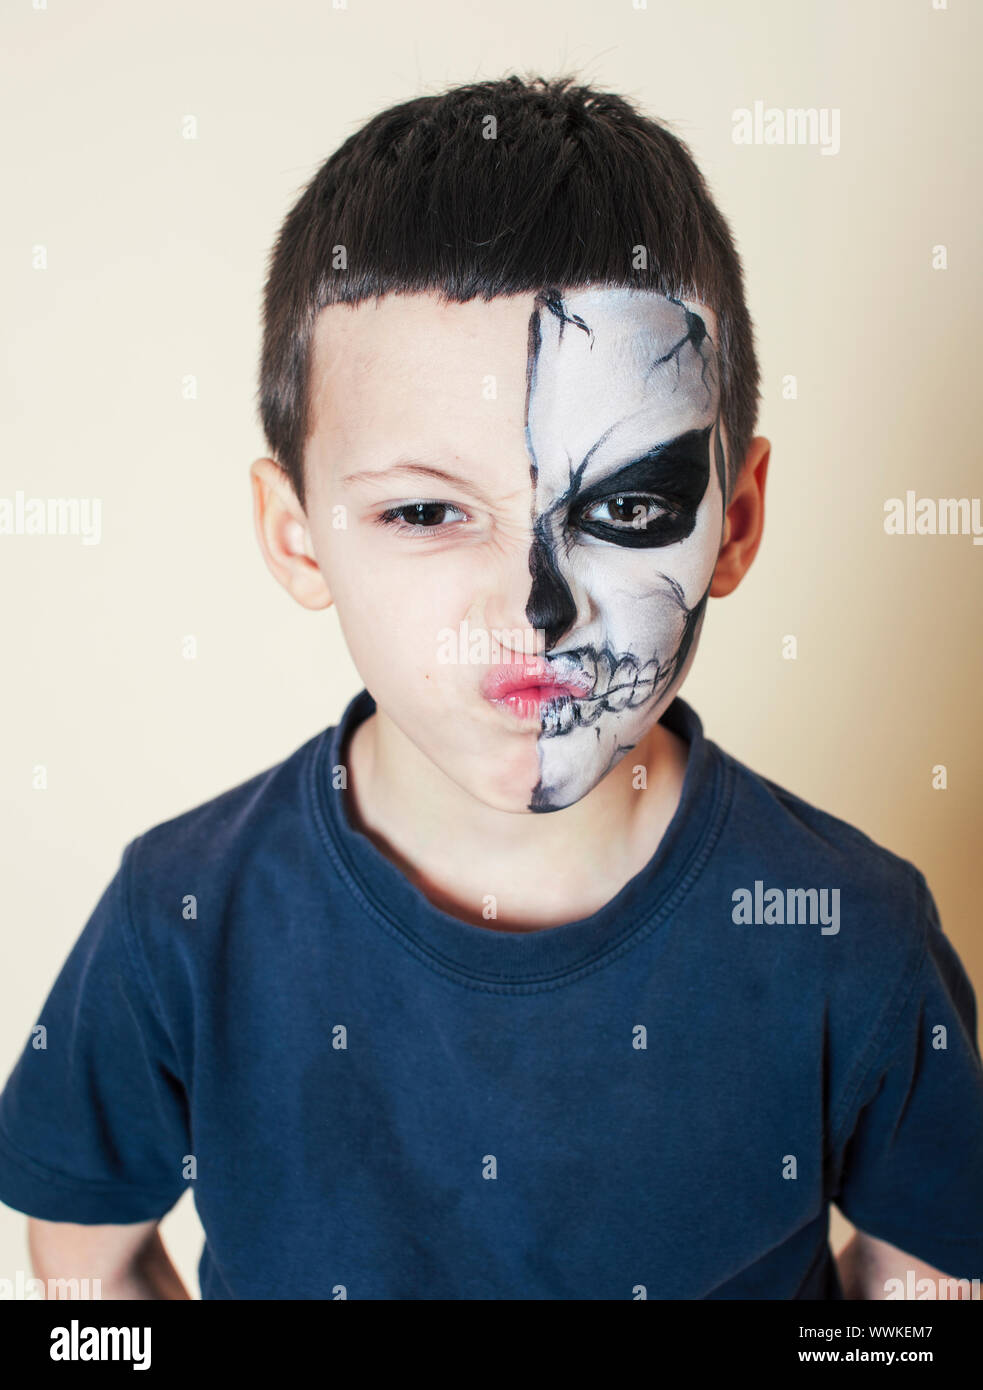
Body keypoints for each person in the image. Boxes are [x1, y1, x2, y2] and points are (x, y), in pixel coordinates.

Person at [2, 74, 981, 1301]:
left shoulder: (850, 929)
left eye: (624, 507)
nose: (532, 606)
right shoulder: (181, 920)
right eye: (425, 510)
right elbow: (80, 1269)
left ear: (732, 523)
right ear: (298, 536)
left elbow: (927, 1285)